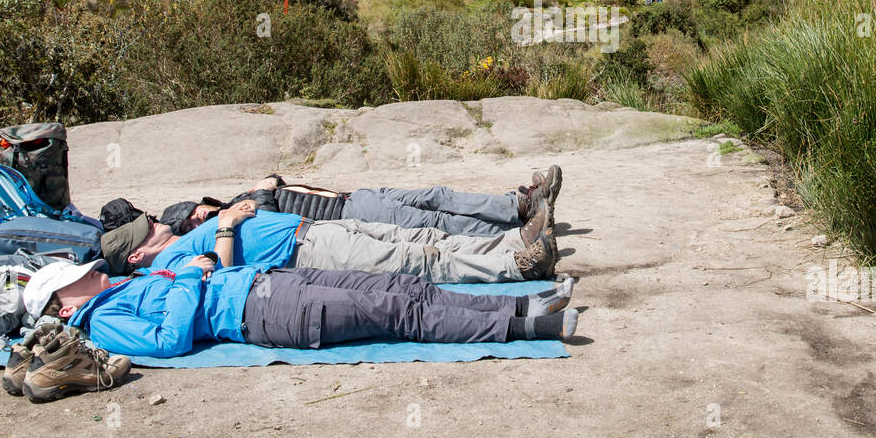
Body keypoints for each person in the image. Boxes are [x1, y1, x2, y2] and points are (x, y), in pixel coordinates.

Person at [21, 256, 579, 360]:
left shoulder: (115, 288)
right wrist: (189, 280)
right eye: (76, 281)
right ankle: (528, 327)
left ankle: (527, 301)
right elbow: (169, 341)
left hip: (271, 281)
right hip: (264, 315)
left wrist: (195, 268)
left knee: (406, 286)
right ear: (61, 308)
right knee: (396, 313)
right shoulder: (106, 322)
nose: (91, 273)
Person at [97, 185, 559, 283]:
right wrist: (223, 224)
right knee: (418, 260)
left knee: (417, 242)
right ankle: (515, 267)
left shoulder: (170, 245)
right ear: (136, 256)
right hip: (305, 250)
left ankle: (514, 243)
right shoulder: (165, 266)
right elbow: (224, 279)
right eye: (148, 231)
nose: (155, 224)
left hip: (317, 226)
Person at [178, 166, 563, 241]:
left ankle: (519, 205)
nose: (197, 213)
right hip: (347, 215)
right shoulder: (225, 229)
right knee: (437, 223)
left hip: (355, 195)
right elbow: (271, 217)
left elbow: (277, 178)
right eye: (192, 217)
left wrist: (268, 182)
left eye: (195, 208)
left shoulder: (232, 202)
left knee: (437, 195)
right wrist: (263, 191)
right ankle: (517, 232)